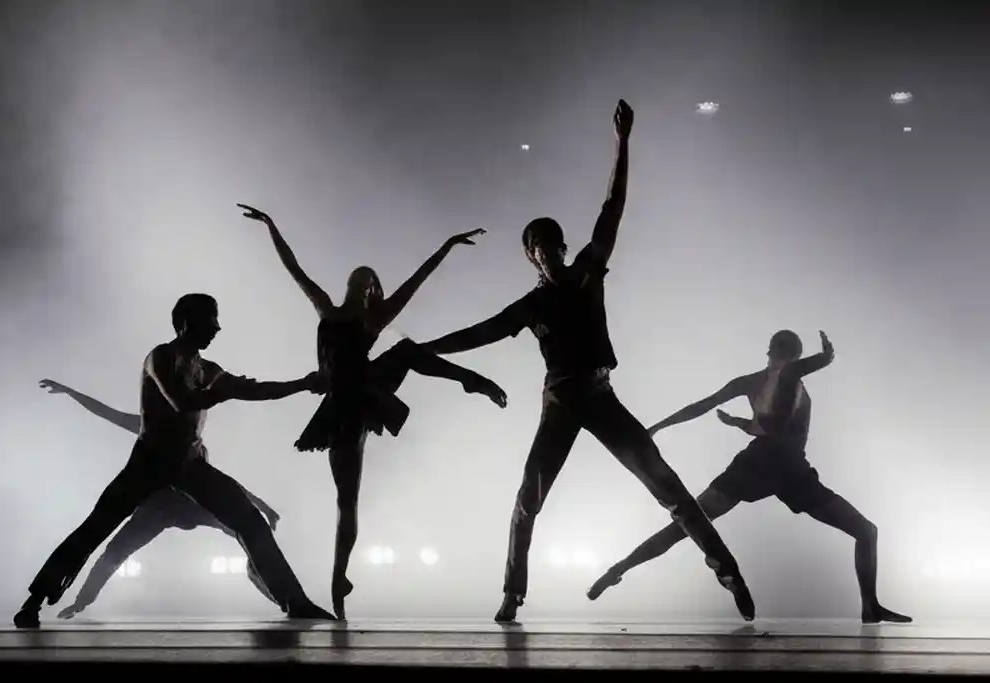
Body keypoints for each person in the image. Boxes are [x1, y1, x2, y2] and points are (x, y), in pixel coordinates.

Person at [418, 99, 754, 623]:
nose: (547, 253)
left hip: (599, 396)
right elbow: (479, 333)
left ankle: (727, 569)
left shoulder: (589, 271)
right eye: (538, 248)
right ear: (531, 257)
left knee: (666, 484)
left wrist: (623, 142)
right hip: (561, 402)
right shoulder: (532, 305)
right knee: (527, 499)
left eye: (552, 245)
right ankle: (512, 593)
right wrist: (425, 350)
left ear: (562, 247)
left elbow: (612, 207)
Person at [240, 204, 507, 619]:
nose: (364, 286)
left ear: (373, 292)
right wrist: (271, 226)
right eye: (359, 280)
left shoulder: (374, 317)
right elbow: (295, 271)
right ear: (349, 283)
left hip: (367, 389)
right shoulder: (326, 308)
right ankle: (339, 575)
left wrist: (447, 247)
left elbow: (418, 281)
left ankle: (472, 380)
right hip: (340, 406)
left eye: (370, 284)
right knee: (347, 500)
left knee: (407, 351)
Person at [13, 294, 334, 628]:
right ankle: (34, 601)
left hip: (189, 465)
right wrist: (223, 392)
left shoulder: (207, 370)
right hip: (148, 462)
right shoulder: (160, 358)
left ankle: (295, 602)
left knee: (249, 521)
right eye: (211, 320)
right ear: (186, 322)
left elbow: (253, 389)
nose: (217, 328)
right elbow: (181, 401)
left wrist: (303, 383)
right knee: (94, 530)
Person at [587, 330, 911, 624]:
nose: (784, 363)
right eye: (785, 357)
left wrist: (674, 425)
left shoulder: (774, 380)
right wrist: (824, 358)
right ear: (778, 355)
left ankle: (871, 607)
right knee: (865, 531)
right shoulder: (783, 375)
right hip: (772, 465)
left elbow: (739, 414)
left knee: (686, 523)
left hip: (784, 468)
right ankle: (619, 569)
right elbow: (713, 405)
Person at [35, 379, 280, 619]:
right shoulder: (153, 426)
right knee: (115, 552)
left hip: (190, 503)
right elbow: (108, 413)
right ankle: (81, 602)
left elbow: (225, 485)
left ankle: (278, 592)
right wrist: (71, 392)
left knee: (247, 529)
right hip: (158, 507)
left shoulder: (195, 440)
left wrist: (261, 506)